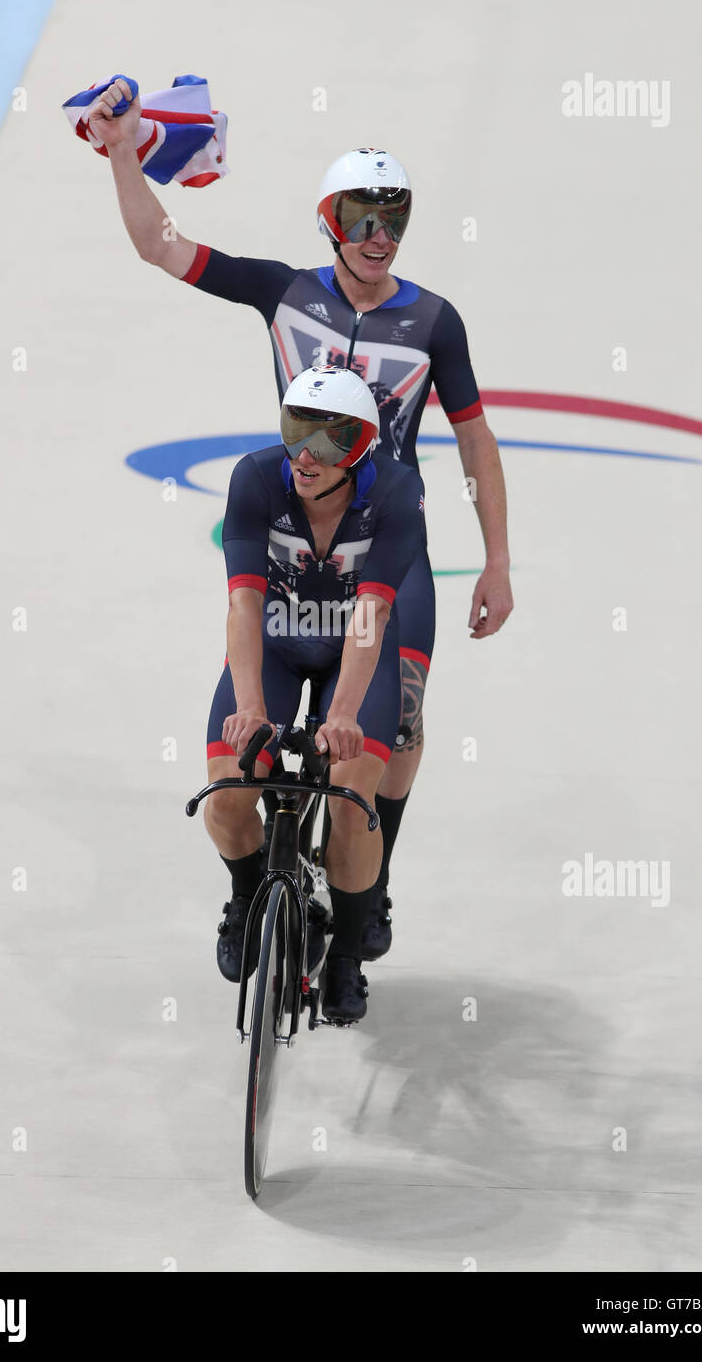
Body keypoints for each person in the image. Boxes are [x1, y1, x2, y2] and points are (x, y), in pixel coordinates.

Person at [87, 81, 513, 961]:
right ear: (329, 218)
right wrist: (126, 152)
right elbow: (159, 245)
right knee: (246, 760)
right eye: (360, 217)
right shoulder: (283, 293)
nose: (378, 237)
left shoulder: (434, 322)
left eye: (393, 219)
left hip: (386, 542)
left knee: (393, 746)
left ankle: (371, 881)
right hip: (294, 531)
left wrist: (498, 560)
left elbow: (476, 444)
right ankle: (252, 896)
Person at [206, 365, 425, 1022]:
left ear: (358, 449)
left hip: (354, 650)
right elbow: (243, 604)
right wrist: (249, 707)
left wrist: (343, 715)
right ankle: (248, 895)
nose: (305, 455)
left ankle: (348, 955)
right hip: (275, 646)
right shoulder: (253, 477)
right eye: (295, 430)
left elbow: (373, 615)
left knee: (354, 802)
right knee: (225, 797)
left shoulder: (395, 492)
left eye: (326, 442)